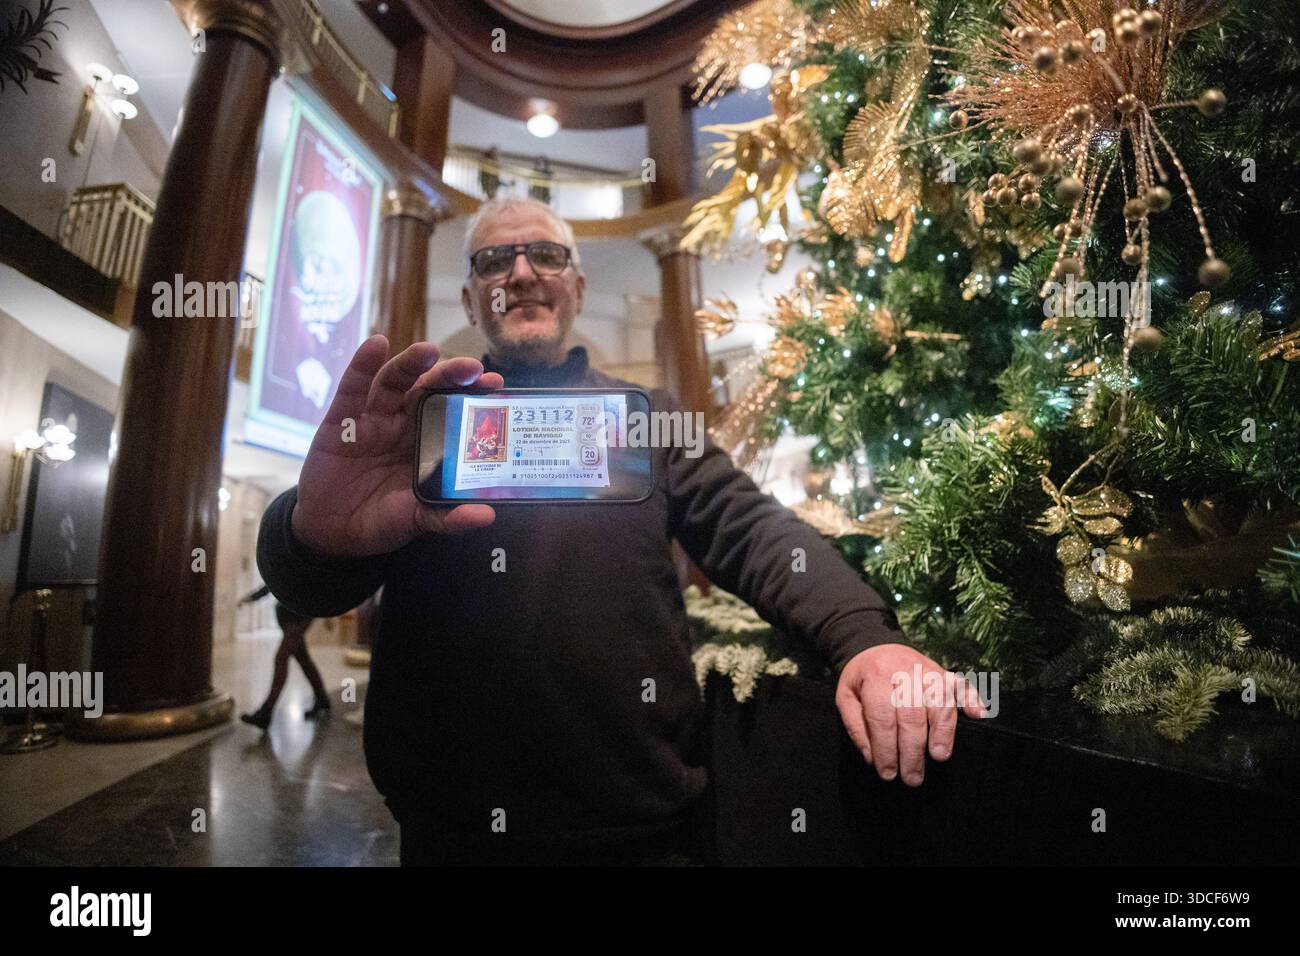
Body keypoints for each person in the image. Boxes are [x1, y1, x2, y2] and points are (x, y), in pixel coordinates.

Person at [256, 197, 986, 865]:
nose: (522, 272)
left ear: (576, 286)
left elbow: (751, 529)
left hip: (647, 828)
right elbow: (318, 574)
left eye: (547, 255)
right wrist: (309, 532)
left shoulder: (649, 415)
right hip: (451, 831)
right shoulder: (425, 422)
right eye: (493, 259)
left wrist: (866, 636)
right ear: (470, 297)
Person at [238, 583, 331, 731]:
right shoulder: (290, 565)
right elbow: (271, 583)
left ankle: (266, 711)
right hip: (289, 619)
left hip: (299, 619)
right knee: (304, 661)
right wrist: (250, 598)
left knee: (281, 658)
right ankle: (322, 699)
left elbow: (320, 588)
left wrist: (328, 614)